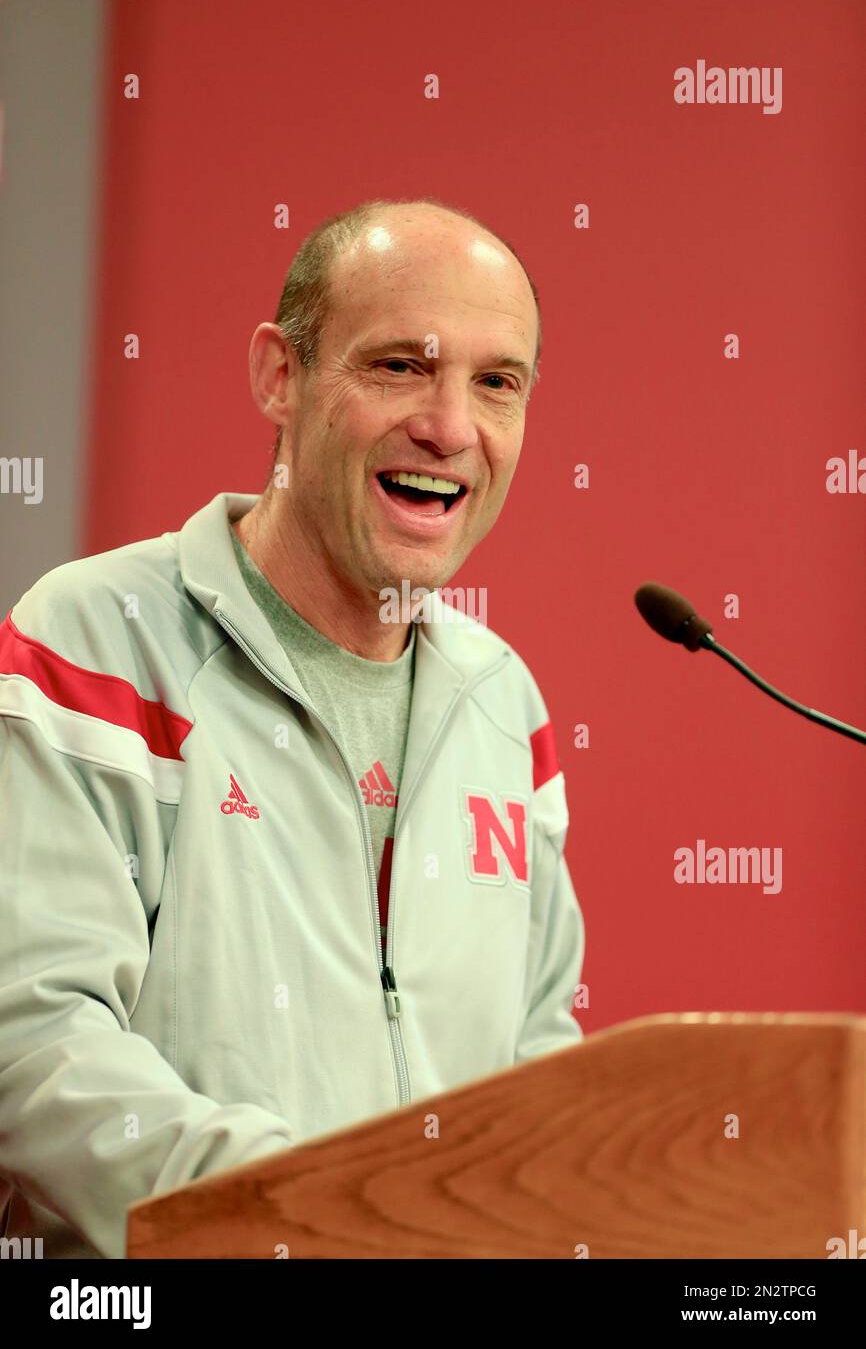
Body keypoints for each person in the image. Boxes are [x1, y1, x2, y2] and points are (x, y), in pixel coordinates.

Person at [0, 197, 585, 1259]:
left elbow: (537, 1070)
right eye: (401, 366)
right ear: (280, 376)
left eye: (496, 383)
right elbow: (34, 1050)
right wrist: (325, 1221)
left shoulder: (507, 703)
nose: (450, 427)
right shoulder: (89, 642)